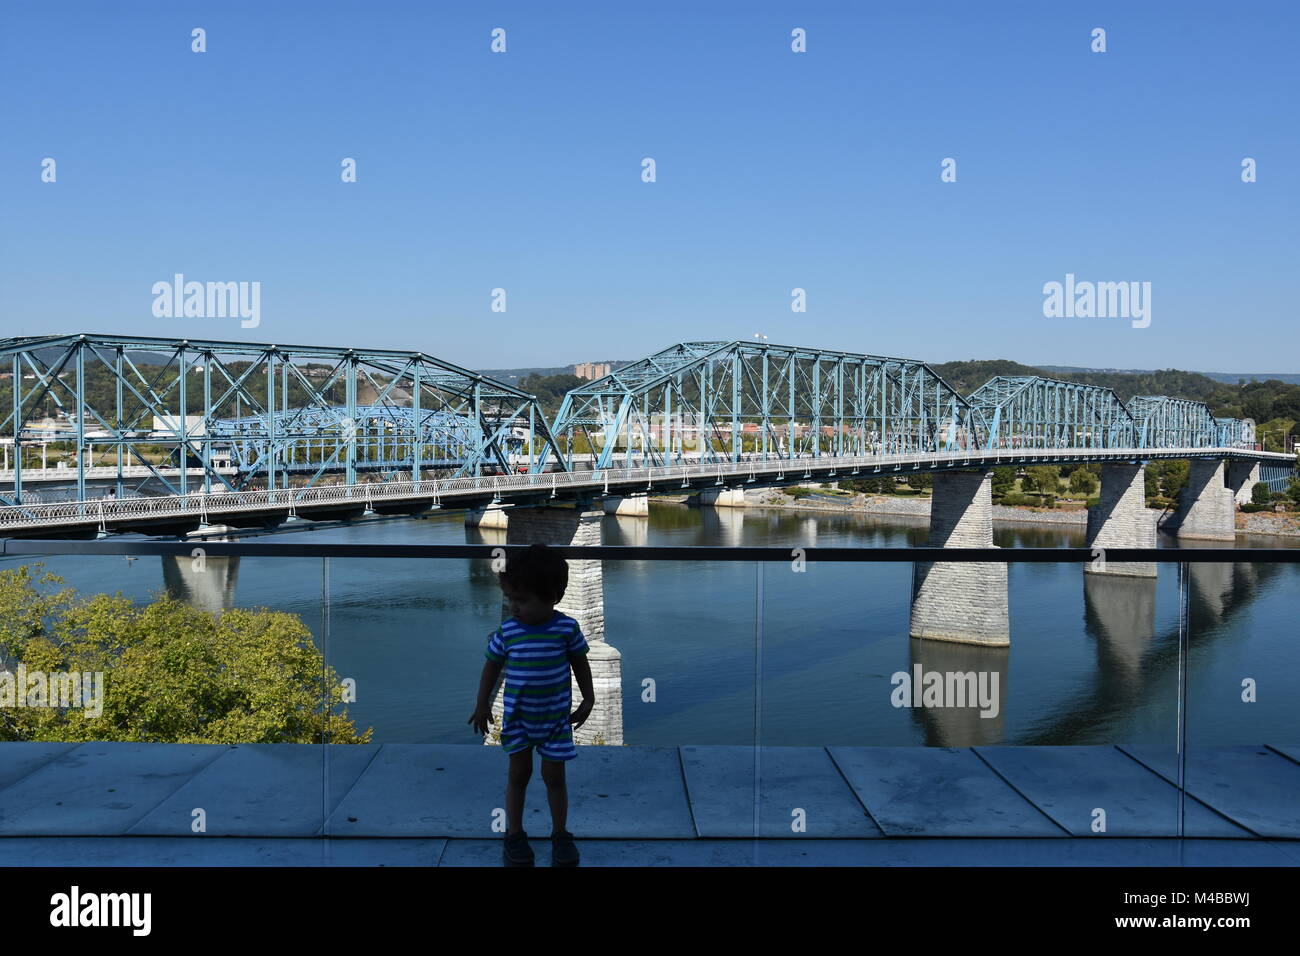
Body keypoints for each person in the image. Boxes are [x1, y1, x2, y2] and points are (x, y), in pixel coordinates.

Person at [468, 543, 595, 867]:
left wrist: (588, 698)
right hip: (518, 720)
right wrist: (482, 705)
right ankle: (514, 833)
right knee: (518, 776)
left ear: (552, 596)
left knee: (555, 779)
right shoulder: (509, 631)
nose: (513, 607)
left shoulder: (566, 628)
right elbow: (491, 667)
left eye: (521, 600)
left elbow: (580, 663)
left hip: (555, 721)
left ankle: (561, 834)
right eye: (511, 599)